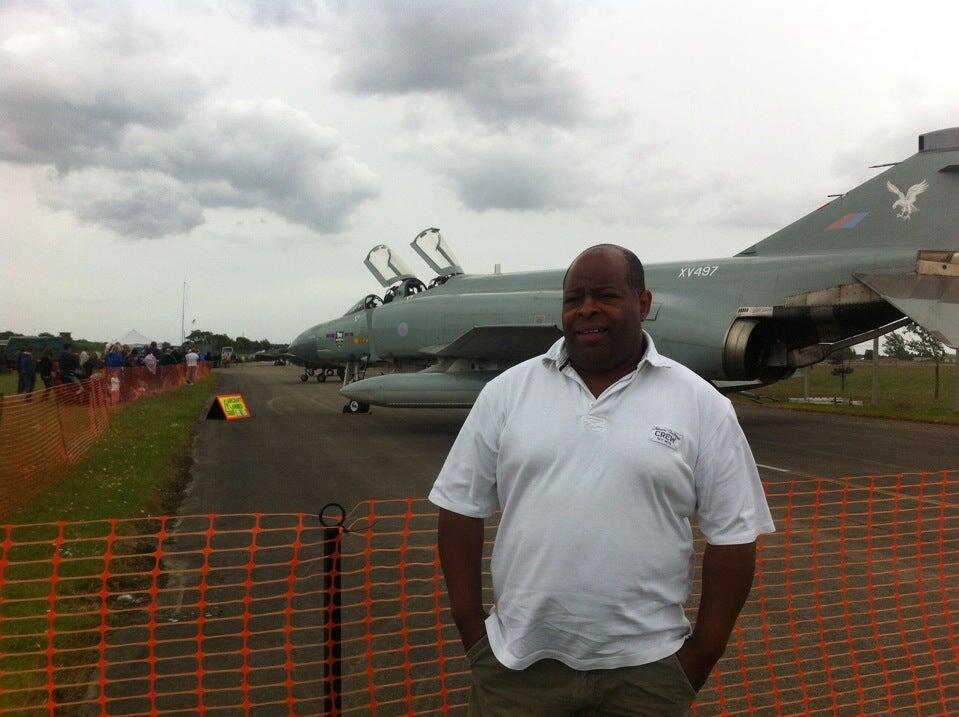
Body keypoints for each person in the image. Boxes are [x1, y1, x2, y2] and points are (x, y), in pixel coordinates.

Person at [430, 245, 775, 716]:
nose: (587, 309)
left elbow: (734, 535)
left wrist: (700, 656)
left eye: (606, 296)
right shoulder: (506, 393)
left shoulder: (701, 404)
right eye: (574, 299)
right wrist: (472, 629)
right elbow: (459, 507)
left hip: (648, 674)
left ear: (643, 303)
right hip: (517, 667)